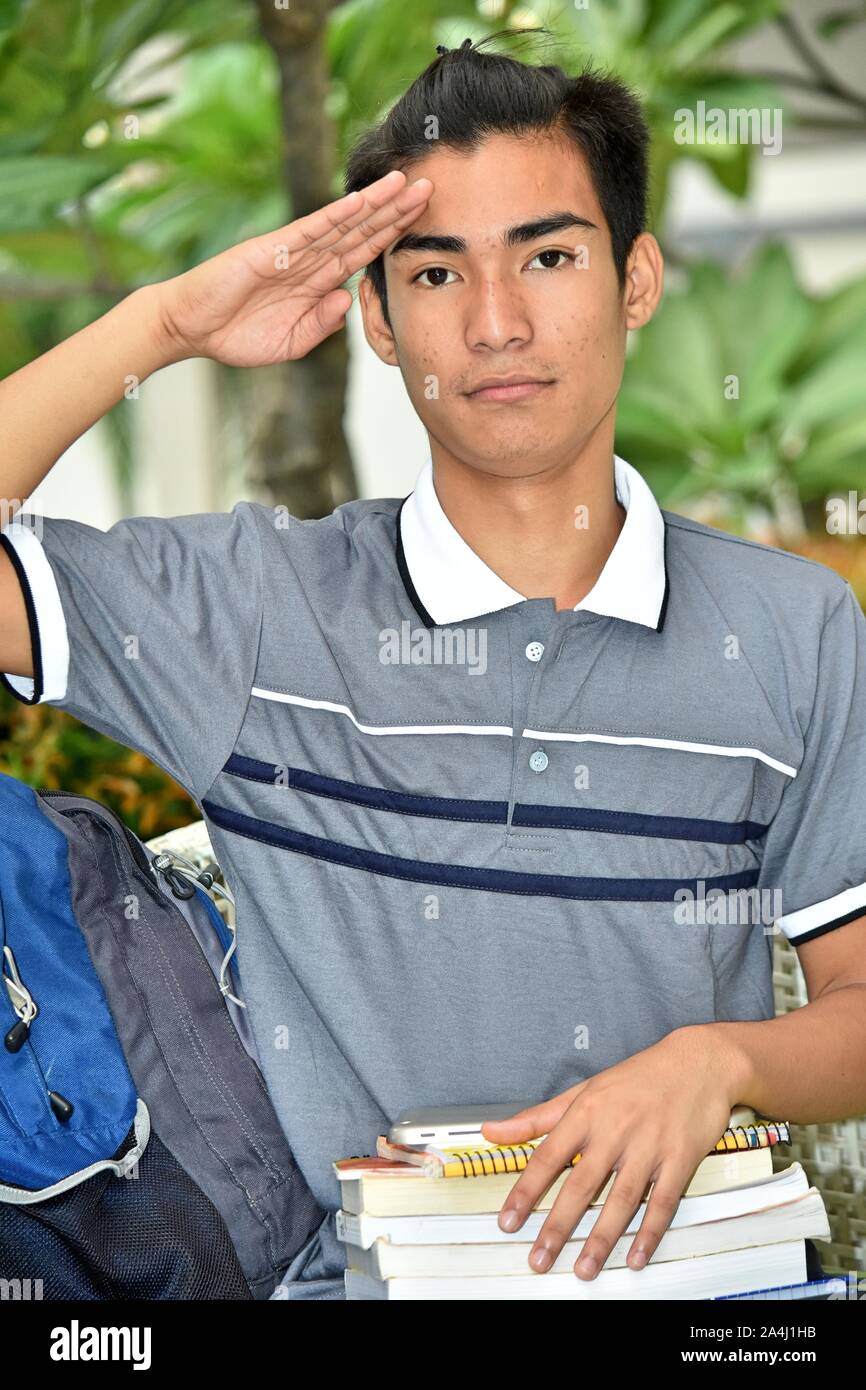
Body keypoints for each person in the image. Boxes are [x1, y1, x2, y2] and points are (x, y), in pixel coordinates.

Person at [1, 34, 865, 1301]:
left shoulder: (792, 628)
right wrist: (164, 324)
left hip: (721, 1298)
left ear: (635, 279)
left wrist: (718, 1060)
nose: (497, 323)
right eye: (435, 273)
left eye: (548, 256)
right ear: (375, 315)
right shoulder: (251, 608)